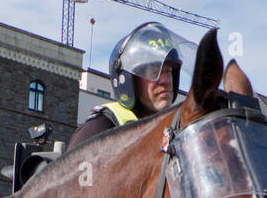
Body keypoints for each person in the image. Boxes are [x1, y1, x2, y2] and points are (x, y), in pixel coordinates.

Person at [67, 21, 183, 151]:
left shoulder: (177, 131)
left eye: (168, 71)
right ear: (129, 79)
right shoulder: (102, 127)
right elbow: (67, 170)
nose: (165, 80)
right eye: (154, 72)